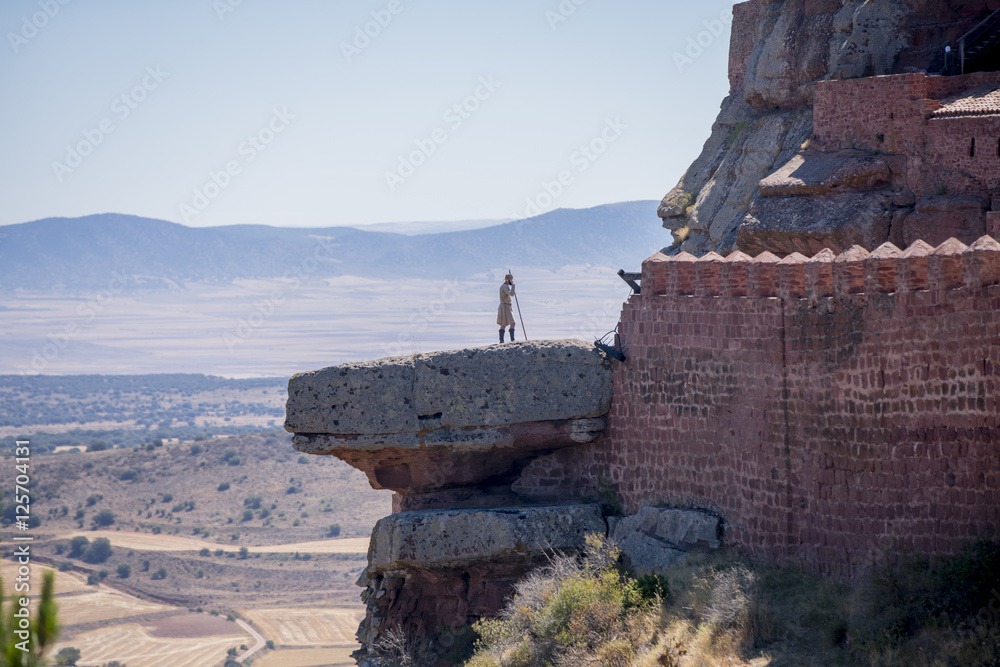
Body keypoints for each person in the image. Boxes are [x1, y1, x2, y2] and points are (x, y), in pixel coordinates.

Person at [497, 274, 516, 343]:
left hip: (506, 306)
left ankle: (502, 340)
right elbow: (512, 294)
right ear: (508, 280)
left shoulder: (505, 286)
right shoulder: (504, 287)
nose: (512, 281)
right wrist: (513, 286)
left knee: (504, 324)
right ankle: (512, 340)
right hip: (505, 307)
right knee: (511, 323)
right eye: (511, 280)